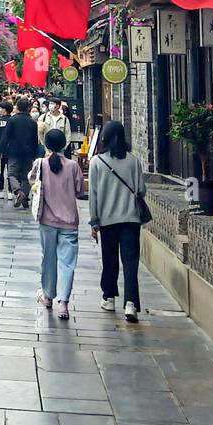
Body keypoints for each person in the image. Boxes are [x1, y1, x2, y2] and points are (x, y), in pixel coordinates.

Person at [89, 120, 146, 323]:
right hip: (131, 219)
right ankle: (131, 303)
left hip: (107, 220)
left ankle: (109, 297)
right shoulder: (133, 161)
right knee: (131, 262)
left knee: (110, 259)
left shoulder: (97, 162)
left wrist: (94, 221)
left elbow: (93, 195)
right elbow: (141, 190)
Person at [32, 128, 84, 319]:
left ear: (46, 145)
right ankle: (64, 302)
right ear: (64, 144)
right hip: (70, 221)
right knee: (67, 263)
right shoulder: (73, 166)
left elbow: (32, 181)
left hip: (47, 220)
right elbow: (80, 190)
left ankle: (48, 295)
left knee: (49, 258)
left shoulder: (41, 164)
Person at [3, 96, 39, 209]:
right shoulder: (33, 122)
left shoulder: (12, 120)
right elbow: (35, 139)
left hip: (14, 152)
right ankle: (24, 198)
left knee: (12, 174)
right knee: (26, 177)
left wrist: (1, 150)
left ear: (17, 107)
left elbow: (6, 137)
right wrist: (35, 154)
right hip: (28, 152)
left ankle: (18, 192)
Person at [0, 99, 14, 200]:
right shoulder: (13, 120)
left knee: (0, 170)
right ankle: (10, 191)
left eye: (1, 108)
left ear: (5, 110)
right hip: (12, 148)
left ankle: (0, 190)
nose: (0, 110)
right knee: (11, 171)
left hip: (1, 148)